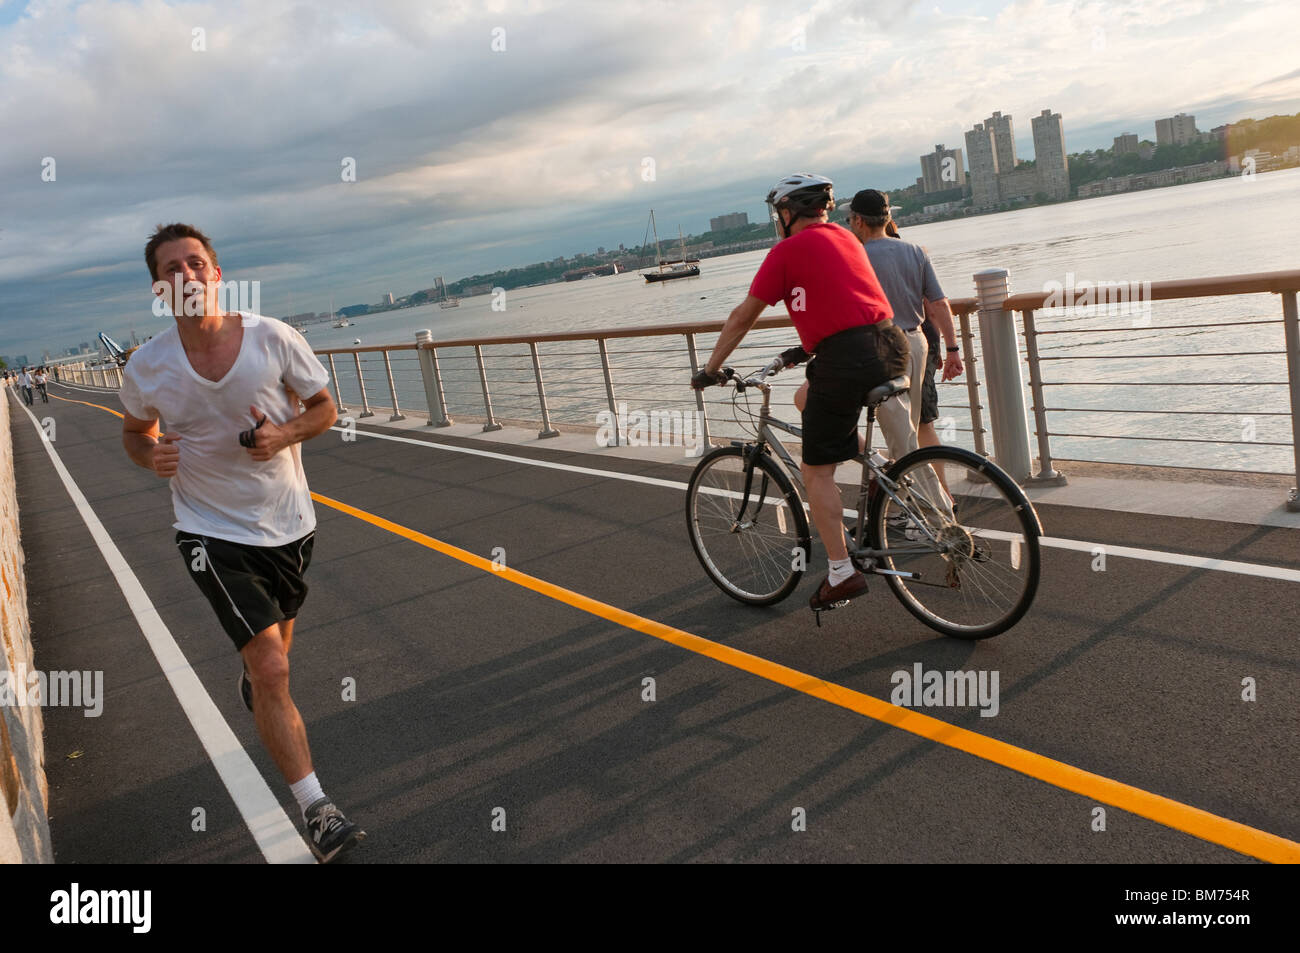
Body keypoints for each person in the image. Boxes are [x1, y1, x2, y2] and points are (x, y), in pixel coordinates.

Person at [118, 223, 364, 862]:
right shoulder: (148, 366)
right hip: (208, 530)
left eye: (196, 264)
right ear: (159, 290)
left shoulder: (274, 338)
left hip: (290, 525)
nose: (187, 276)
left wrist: (283, 437)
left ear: (216, 274)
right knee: (274, 666)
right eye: (172, 269)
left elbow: (323, 408)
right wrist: (151, 457)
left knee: (275, 652)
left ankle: (259, 679)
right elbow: (134, 432)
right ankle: (317, 808)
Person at [691, 172, 911, 610]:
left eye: (779, 213)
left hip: (847, 356)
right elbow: (846, 298)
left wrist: (710, 369)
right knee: (805, 399)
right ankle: (880, 470)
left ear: (788, 213)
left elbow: (743, 316)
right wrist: (808, 346)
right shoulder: (847, 238)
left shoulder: (786, 251)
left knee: (816, 472)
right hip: (890, 343)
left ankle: (841, 572)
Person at [839, 190, 963, 465]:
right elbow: (939, 304)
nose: (848, 225)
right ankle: (915, 499)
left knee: (900, 438)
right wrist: (953, 348)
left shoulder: (854, 258)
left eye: (849, 219)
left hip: (882, 350)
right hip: (917, 343)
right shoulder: (915, 251)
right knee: (912, 428)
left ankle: (924, 504)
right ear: (887, 217)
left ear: (858, 220)